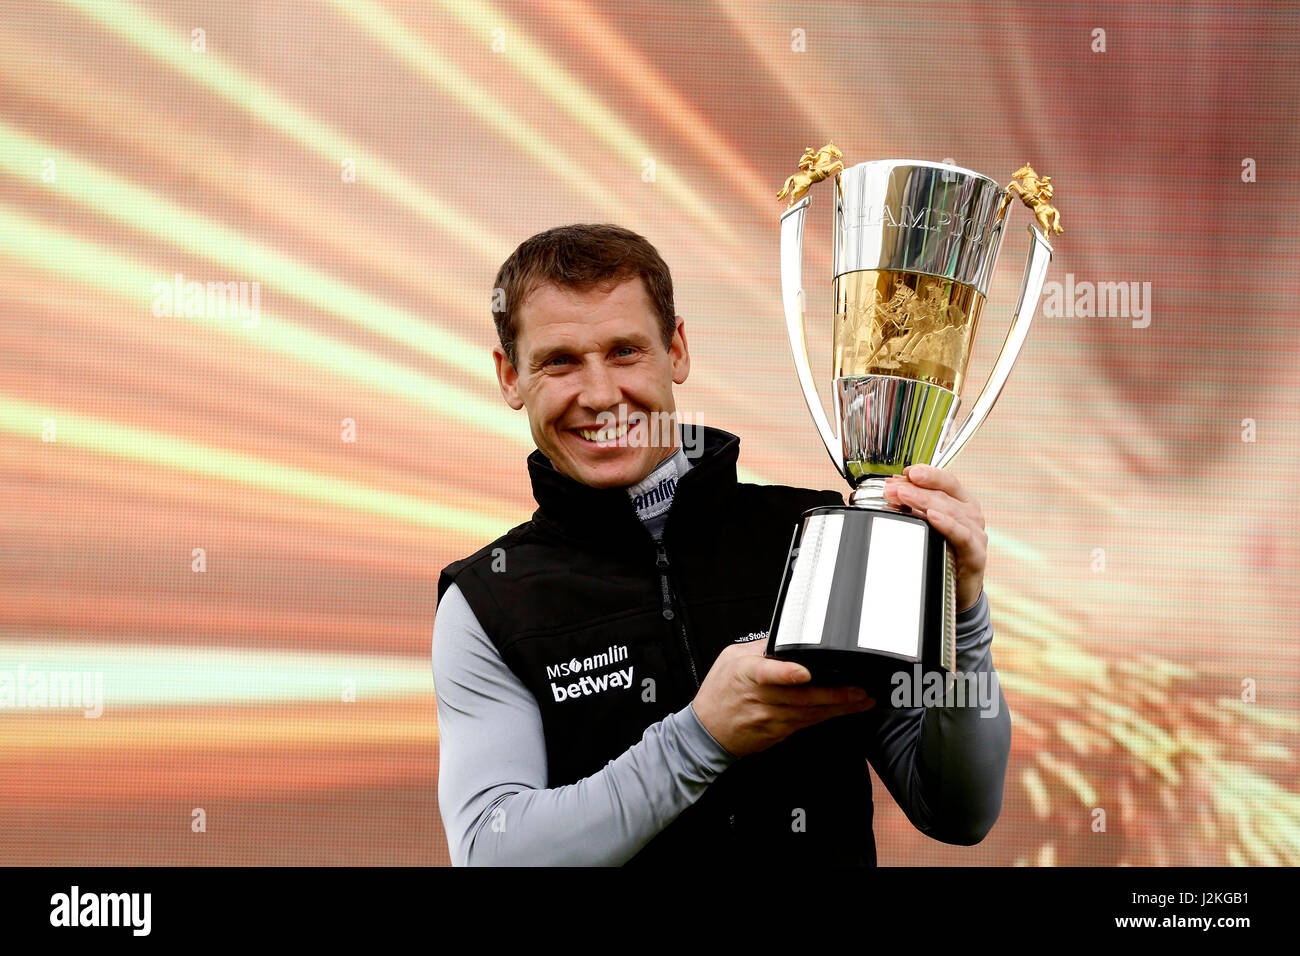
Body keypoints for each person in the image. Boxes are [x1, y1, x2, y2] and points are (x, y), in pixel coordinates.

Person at [432, 223, 1011, 866]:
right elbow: (493, 854)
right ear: (510, 377)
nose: (599, 395)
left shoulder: (817, 531)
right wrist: (701, 738)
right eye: (560, 361)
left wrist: (963, 622)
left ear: (676, 349)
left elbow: (959, 812)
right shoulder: (486, 601)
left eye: (625, 351)